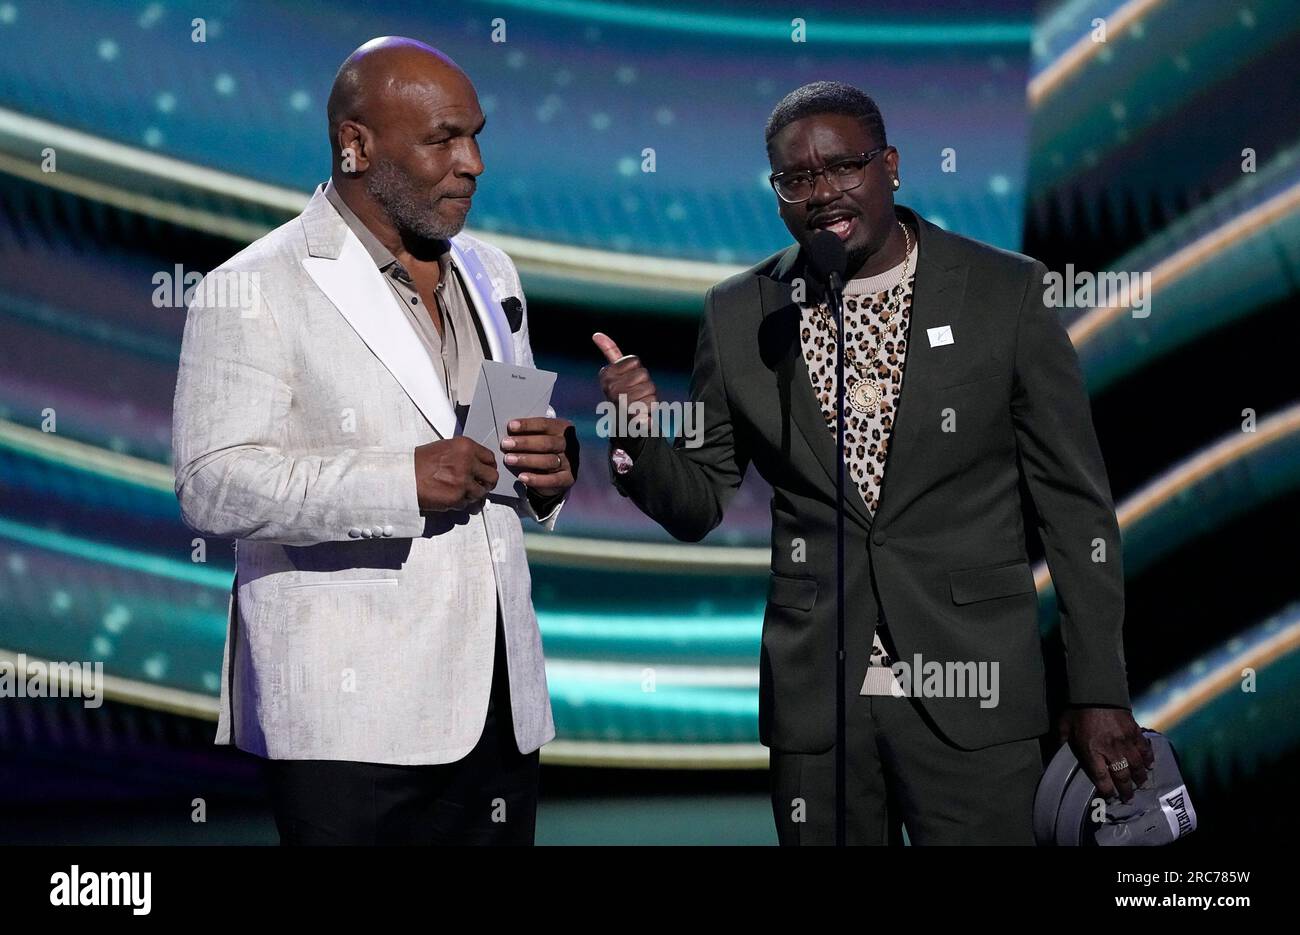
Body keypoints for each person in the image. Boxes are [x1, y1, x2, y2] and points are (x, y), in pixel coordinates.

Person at [594, 81, 1152, 845]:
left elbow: (1075, 509)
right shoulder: (741, 311)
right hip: (820, 704)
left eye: (843, 166)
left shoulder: (1004, 292)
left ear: (890, 165)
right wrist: (641, 436)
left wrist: (1098, 690)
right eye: (797, 178)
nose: (822, 192)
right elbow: (700, 503)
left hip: (974, 693)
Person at [171, 37, 576, 845]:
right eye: (442, 139)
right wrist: (400, 481)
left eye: (476, 136)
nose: (473, 163)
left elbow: (502, 452)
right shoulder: (253, 286)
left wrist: (547, 472)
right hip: (351, 720)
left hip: (499, 706)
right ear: (355, 146)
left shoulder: (492, 271)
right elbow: (211, 482)